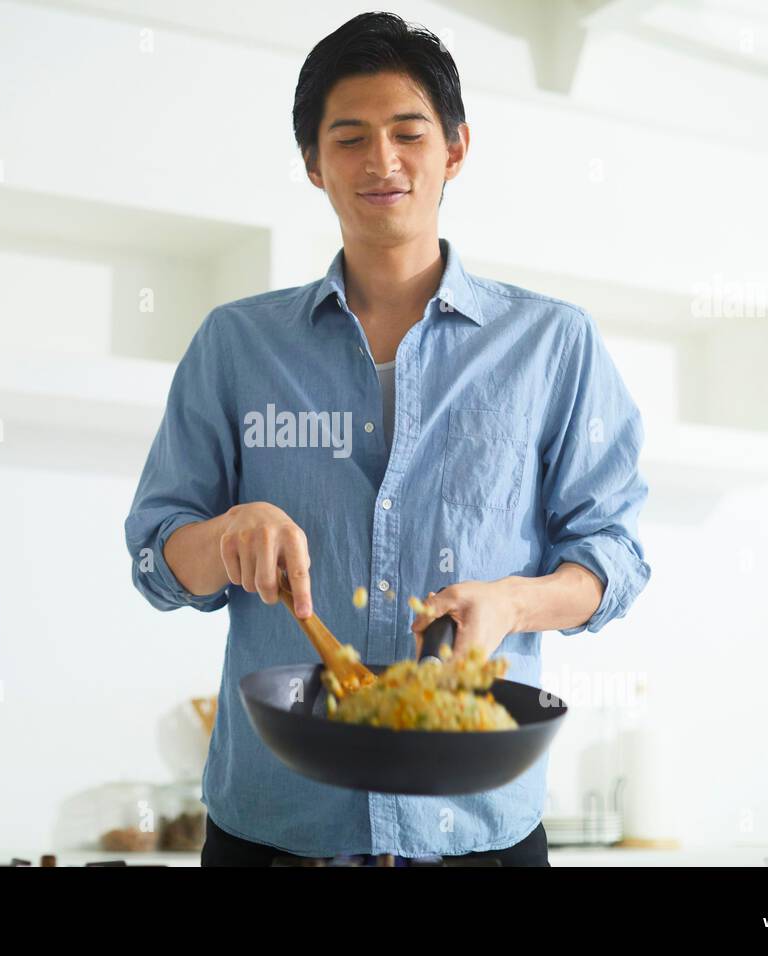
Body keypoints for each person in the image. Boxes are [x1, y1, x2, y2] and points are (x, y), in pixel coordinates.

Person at [124, 12, 651, 867]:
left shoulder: (553, 343)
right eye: (350, 138)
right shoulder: (236, 344)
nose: (382, 161)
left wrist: (513, 603)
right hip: (273, 831)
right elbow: (156, 561)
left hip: (481, 831)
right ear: (312, 164)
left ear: (456, 148)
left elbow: (615, 555)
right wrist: (222, 539)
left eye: (408, 133)